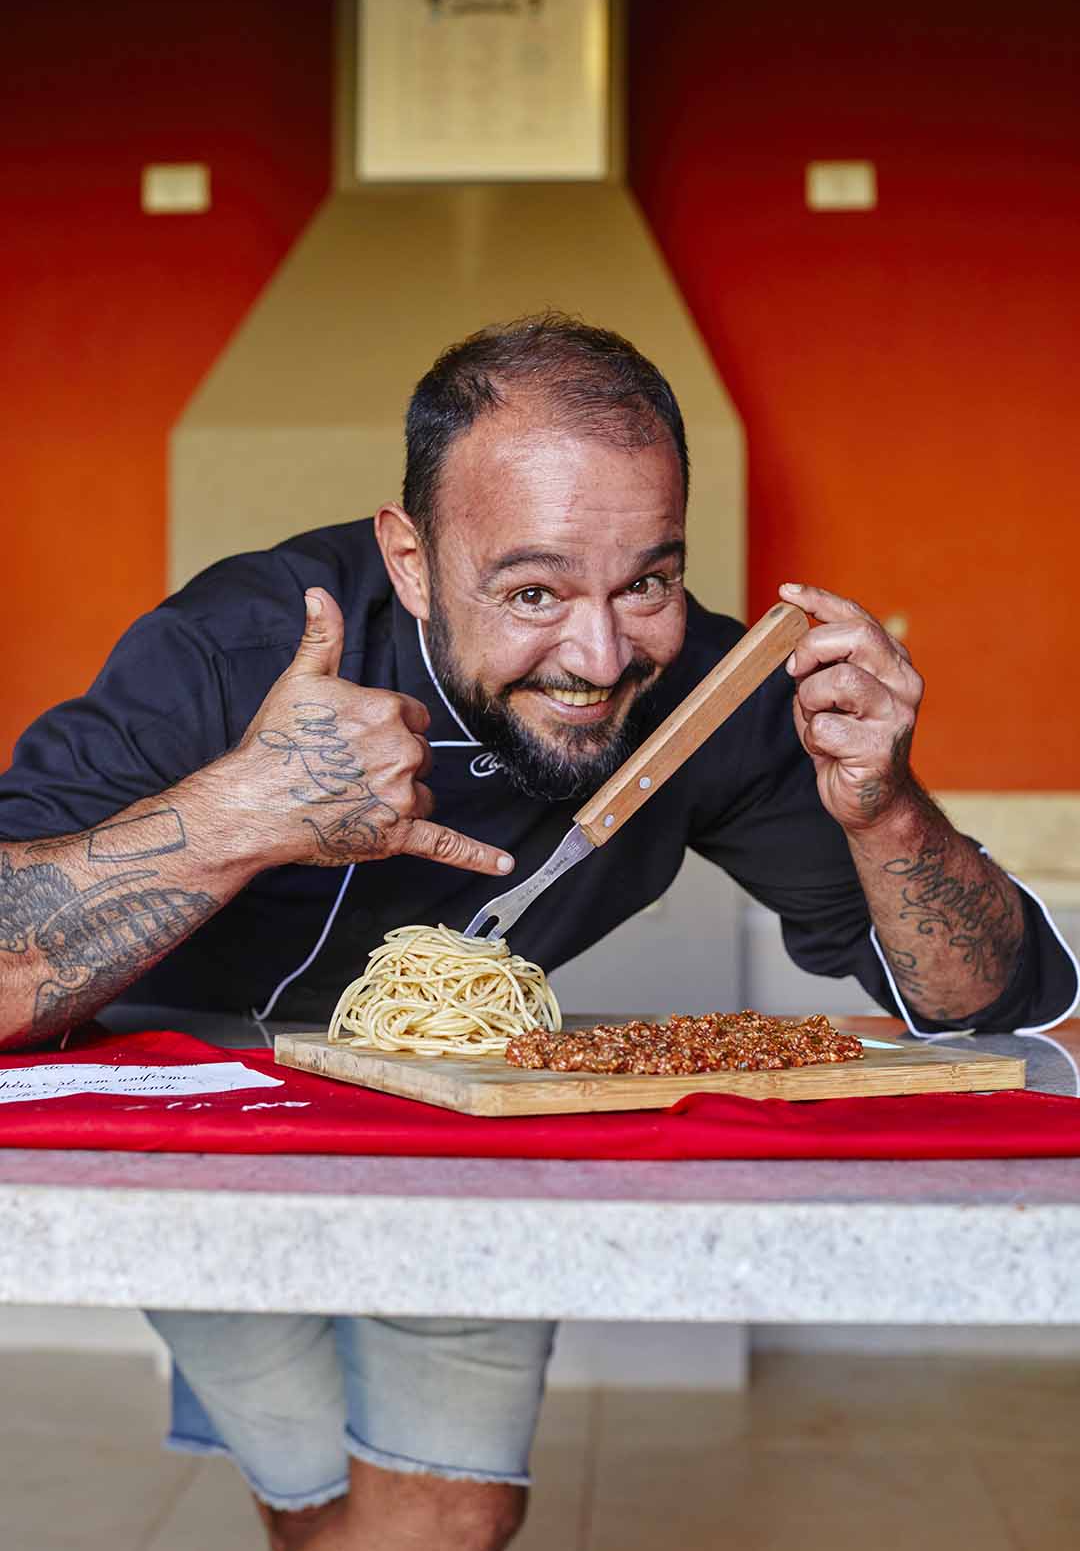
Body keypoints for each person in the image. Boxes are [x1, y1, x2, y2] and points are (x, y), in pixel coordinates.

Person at [0, 314, 1074, 1550]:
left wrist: (886, 811)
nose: (600, 654)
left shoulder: (709, 699)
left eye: (648, 583)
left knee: (453, 1514)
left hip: (470, 1115)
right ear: (409, 560)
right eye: (532, 591)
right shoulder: (228, 649)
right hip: (188, 1118)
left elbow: (990, 1010)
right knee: (317, 1507)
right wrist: (235, 817)